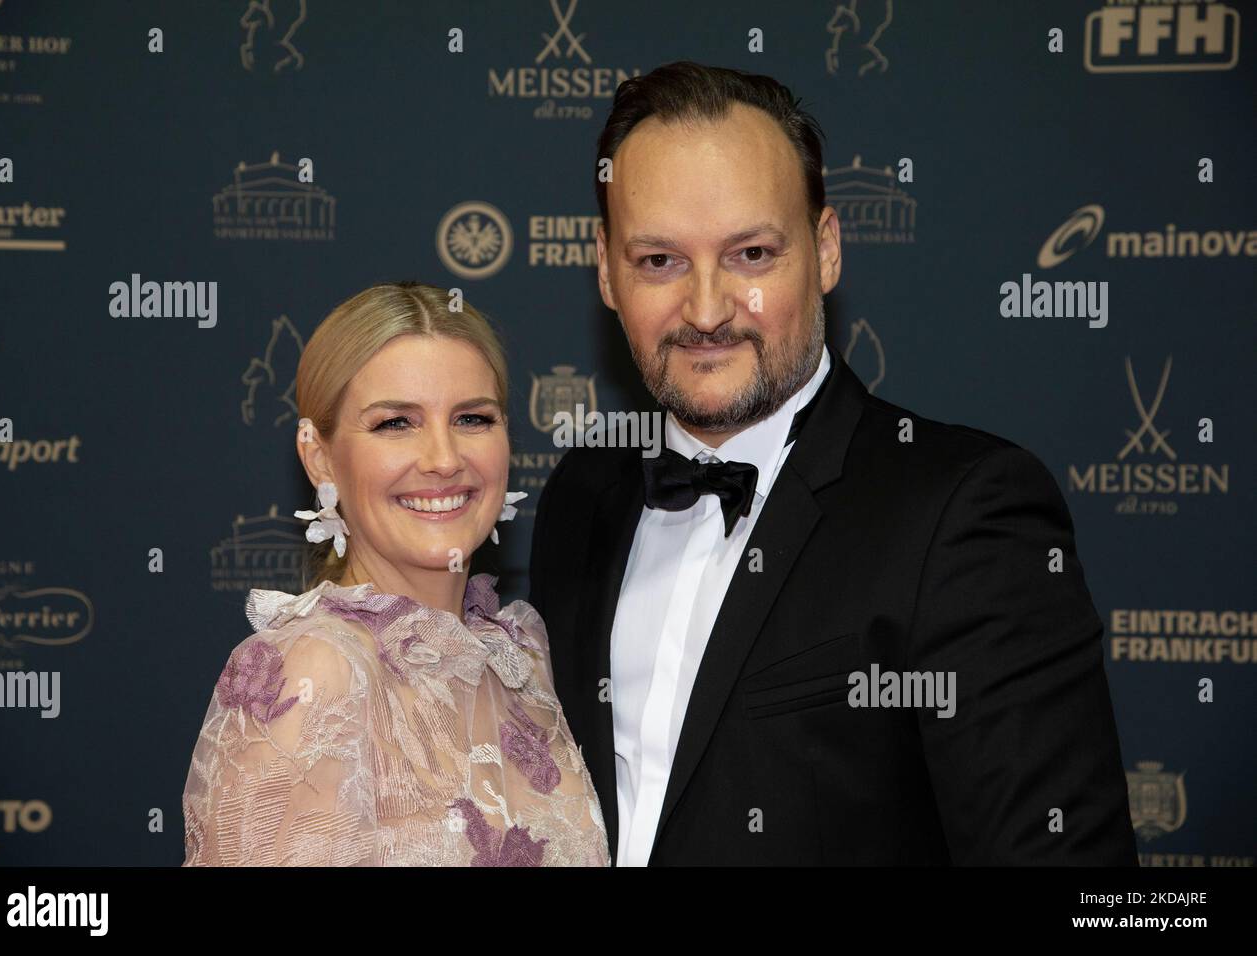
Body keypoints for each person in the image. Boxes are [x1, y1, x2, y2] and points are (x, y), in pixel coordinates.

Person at [528, 61, 1138, 865]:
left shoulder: (963, 513)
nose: (706, 310)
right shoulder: (580, 497)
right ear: (606, 268)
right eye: (659, 262)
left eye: (750, 253)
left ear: (825, 250)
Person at [182, 282, 609, 866]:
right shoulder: (311, 676)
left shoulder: (522, 658)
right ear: (320, 457)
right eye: (394, 423)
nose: (443, 457)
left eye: (472, 418)